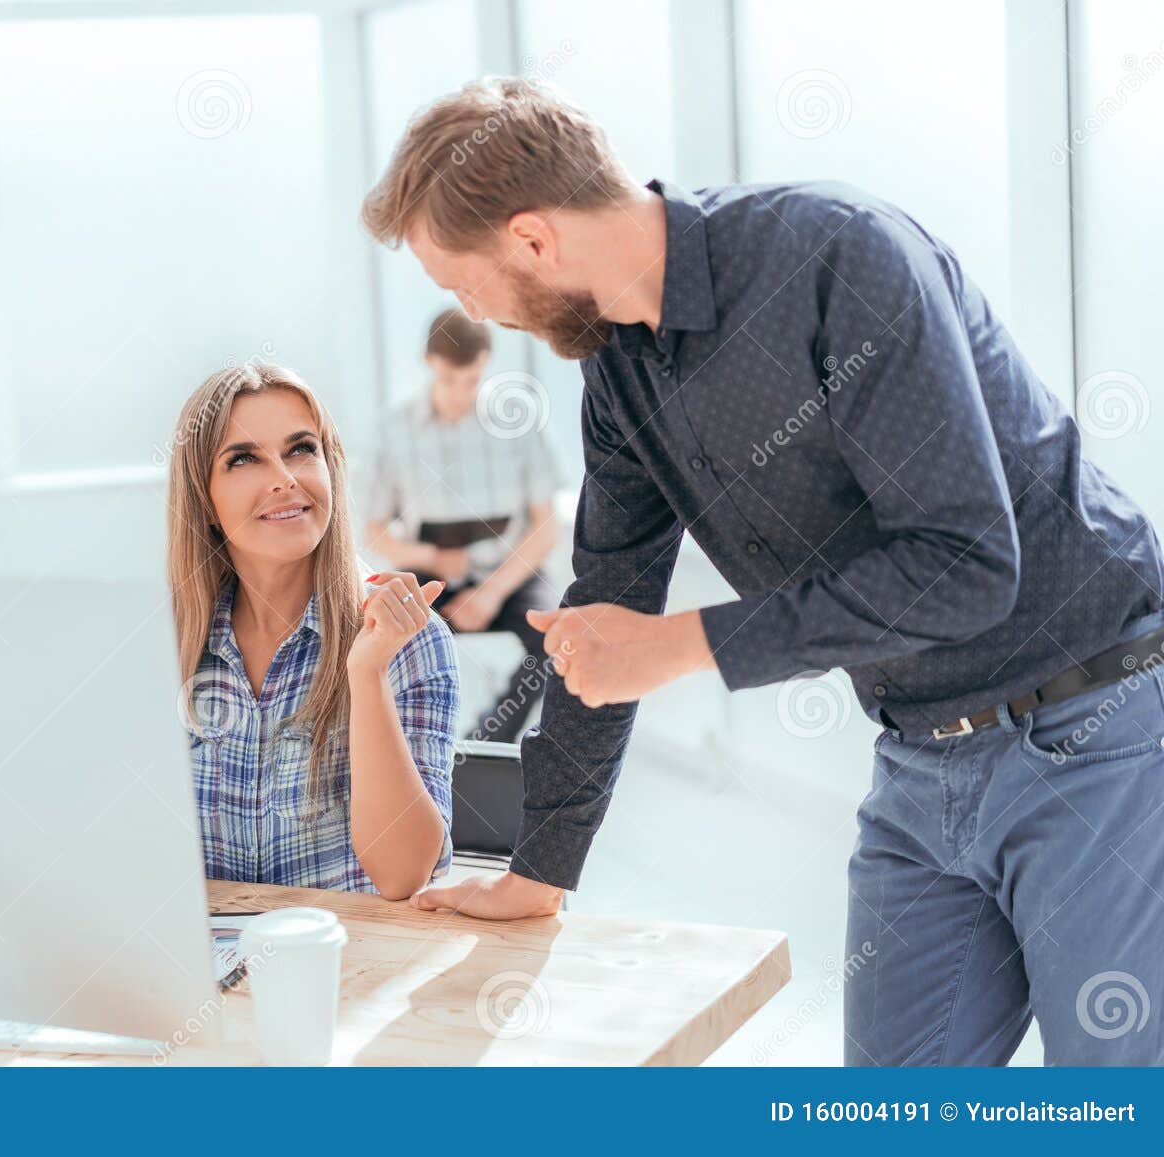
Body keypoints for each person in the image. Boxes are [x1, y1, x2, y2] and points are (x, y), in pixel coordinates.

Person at [360, 77, 1164, 1065]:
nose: (474, 312)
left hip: (1094, 726)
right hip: (919, 756)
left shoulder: (838, 257)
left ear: (531, 239)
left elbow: (965, 563)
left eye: (461, 283)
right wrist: (539, 869)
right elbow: (600, 616)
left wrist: (684, 644)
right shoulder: (617, 371)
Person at [166, 361, 458, 899]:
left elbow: (403, 874)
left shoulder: (409, 638)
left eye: (301, 449)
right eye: (244, 458)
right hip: (196, 951)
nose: (284, 478)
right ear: (203, 500)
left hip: (346, 950)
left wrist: (367, 673)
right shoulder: (168, 644)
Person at [365, 308, 560, 741]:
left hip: (508, 574)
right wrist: (432, 558)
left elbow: (545, 526)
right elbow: (373, 531)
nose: (460, 393)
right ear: (429, 363)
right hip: (428, 575)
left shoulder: (518, 424)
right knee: (384, 639)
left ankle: (487, 742)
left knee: (555, 637)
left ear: (485, 364)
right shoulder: (392, 432)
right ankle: (416, 746)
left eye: (471, 380)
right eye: (449, 379)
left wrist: (490, 593)